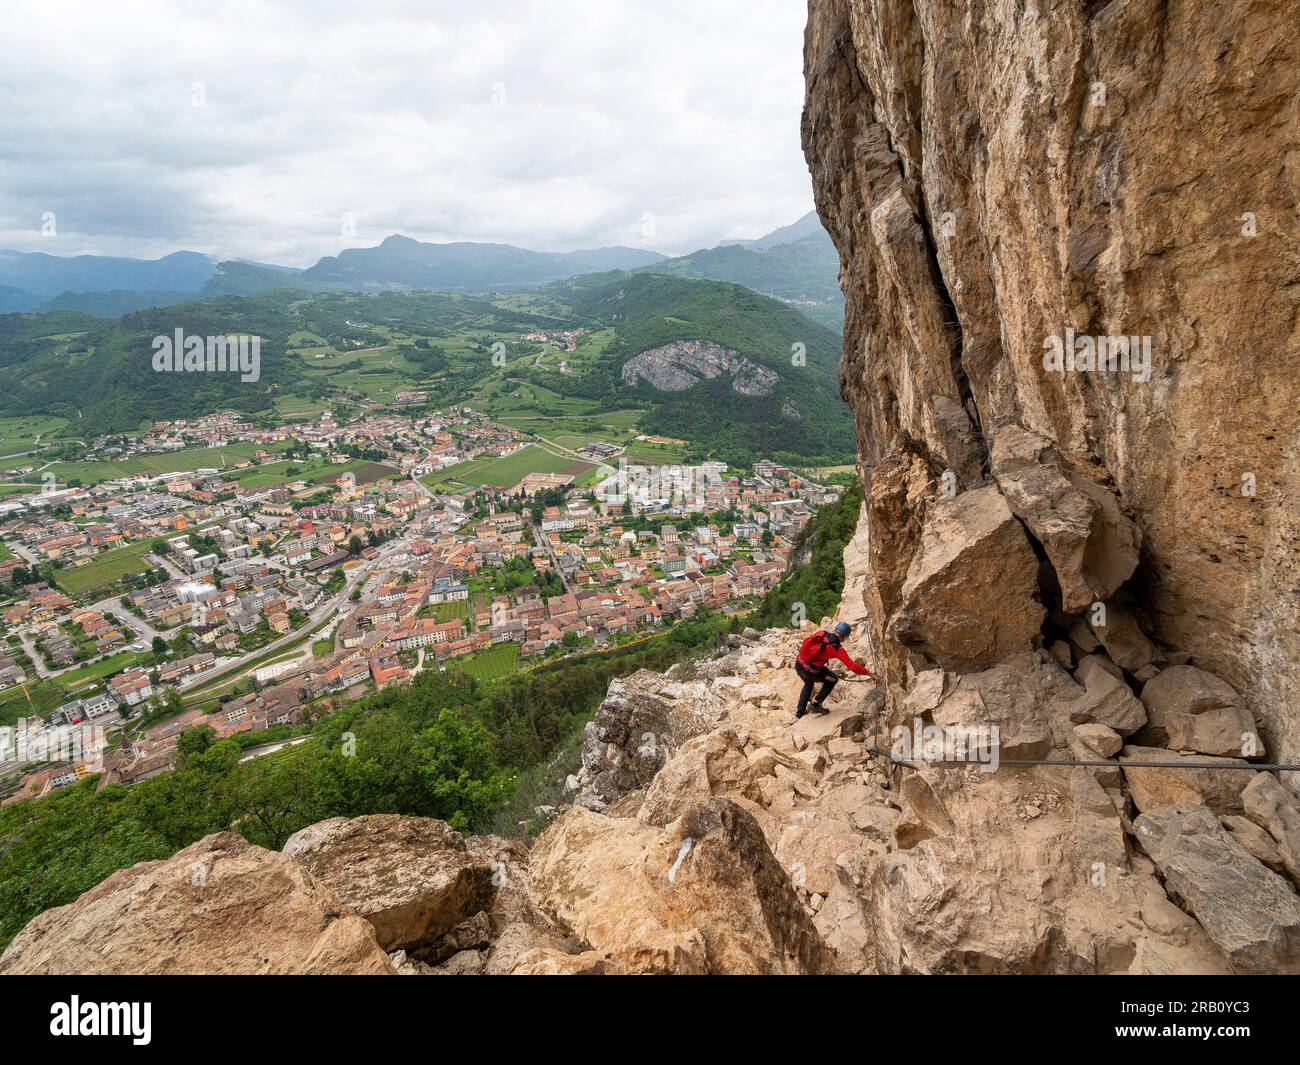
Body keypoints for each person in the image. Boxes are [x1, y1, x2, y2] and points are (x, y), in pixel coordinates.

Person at [793, 621, 877, 718]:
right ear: (844, 637)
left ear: (835, 630)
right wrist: (869, 673)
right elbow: (852, 666)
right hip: (811, 671)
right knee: (832, 680)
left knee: (808, 683)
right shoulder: (838, 649)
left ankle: (799, 712)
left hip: (799, 664)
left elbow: (806, 642)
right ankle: (815, 704)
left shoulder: (821, 633)